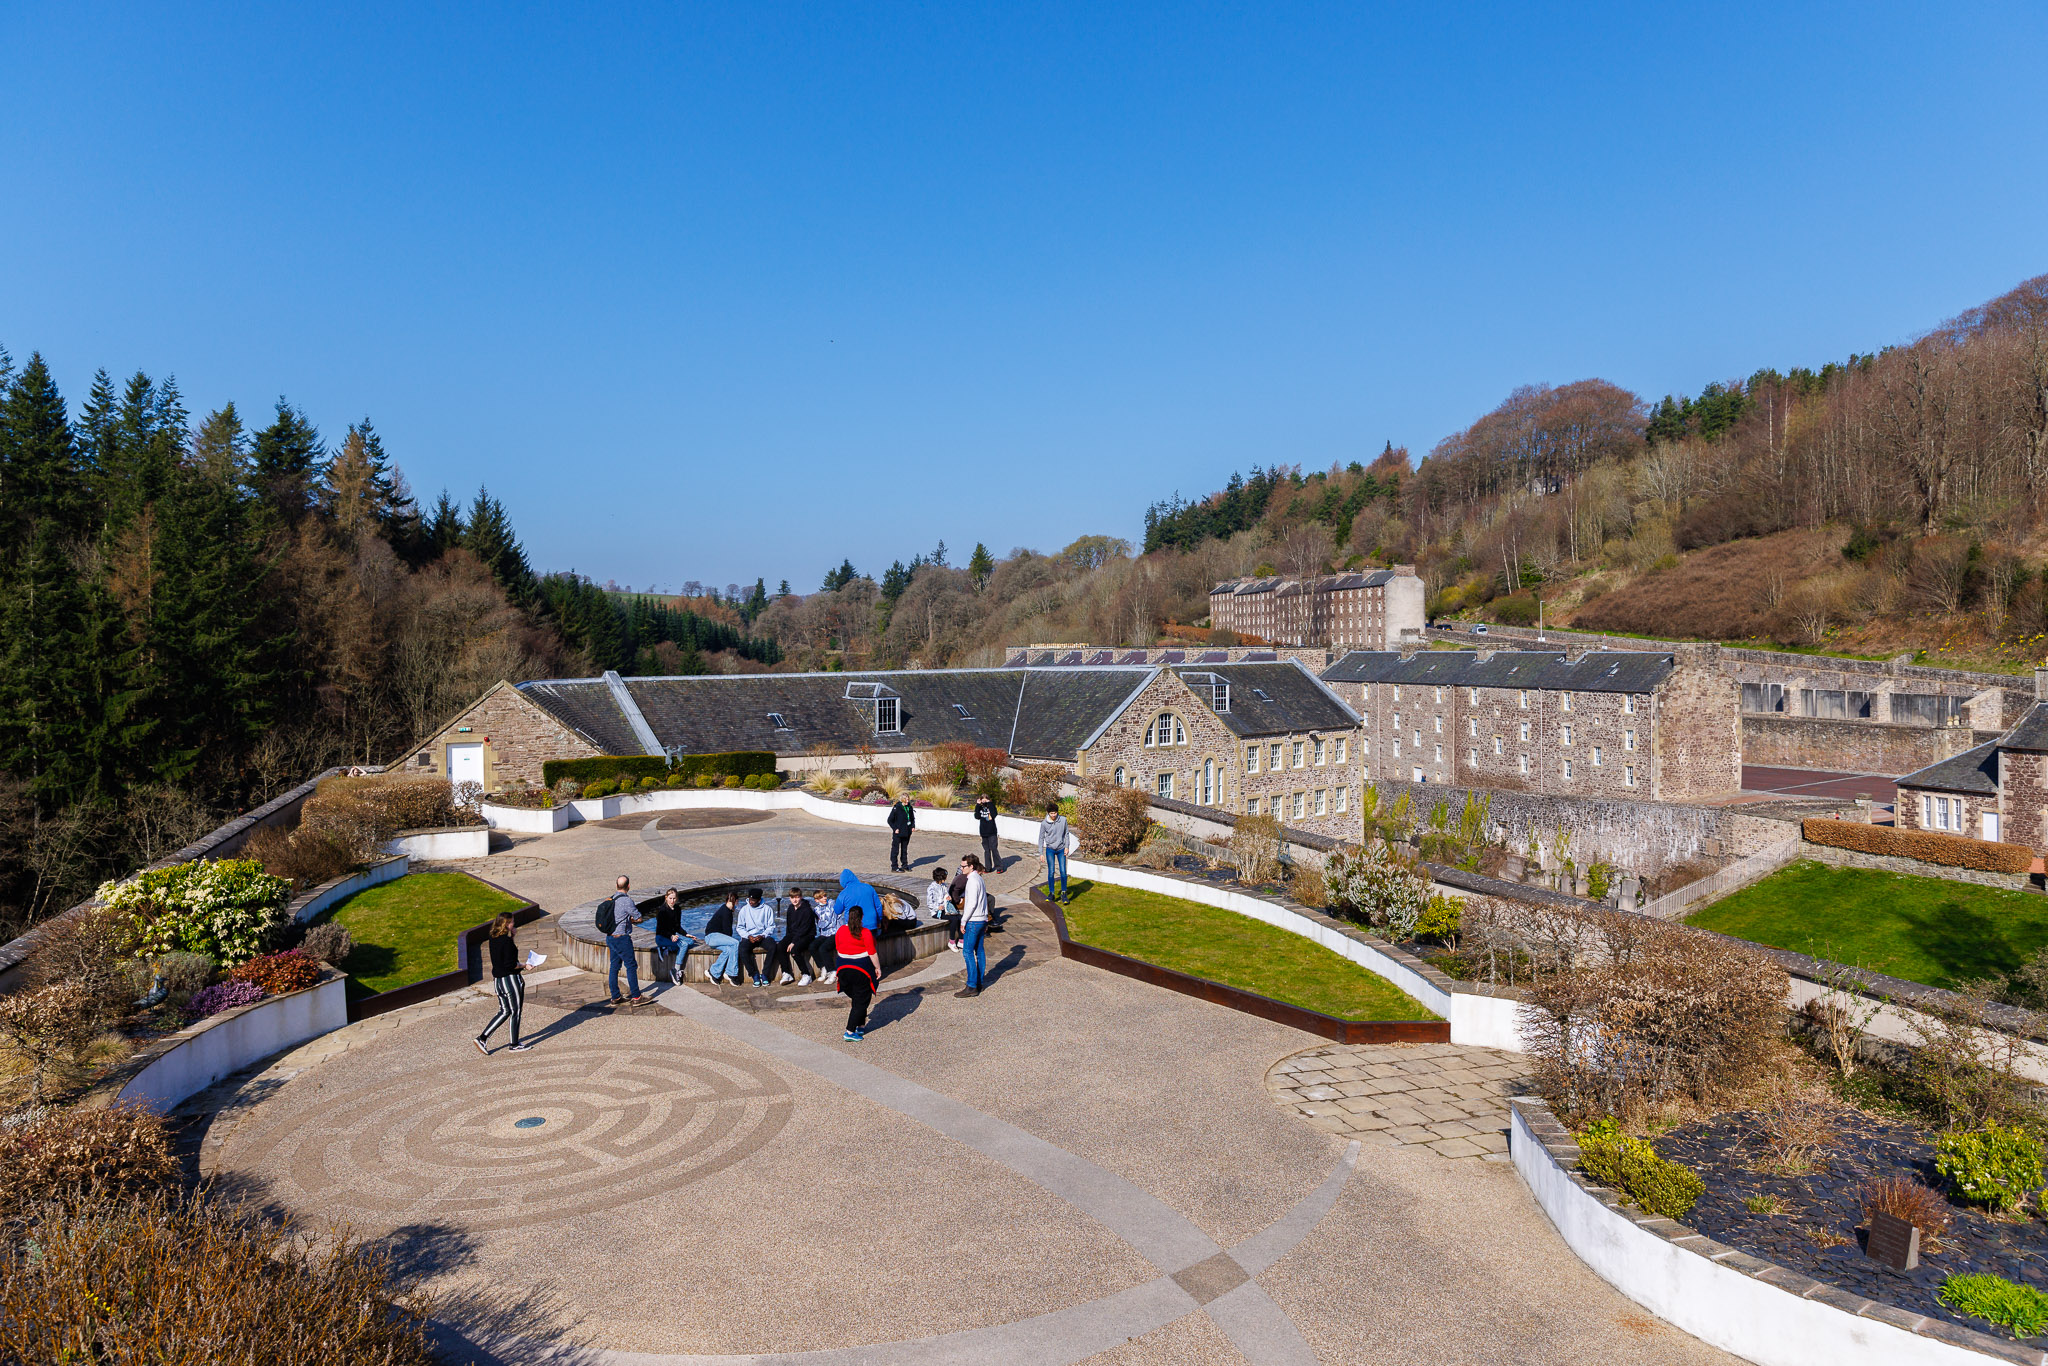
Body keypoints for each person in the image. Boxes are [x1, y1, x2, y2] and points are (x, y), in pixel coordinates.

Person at [474, 912, 531, 1053]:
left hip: (498, 981)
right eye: (512, 922)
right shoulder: (506, 942)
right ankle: (514, 1043)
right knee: (515, 1012)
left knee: (504, 1011)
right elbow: (511, 964)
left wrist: (512, 936)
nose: (514, 924)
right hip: (510, 981)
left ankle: (483, 1038)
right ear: (506, 924)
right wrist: (525, 965)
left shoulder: (493, 937)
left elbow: (504, 956)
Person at [835, 905, 881, 1041]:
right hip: (860, 970)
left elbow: (838, 948)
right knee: (861, 1001)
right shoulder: (865, 933)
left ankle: (860, 1025)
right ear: (861, 918)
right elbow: (872, 952)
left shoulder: (841, 931)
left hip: (843, 969)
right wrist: (878, 968)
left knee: (858, 998)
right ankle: (849, 1032)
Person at [605, 875, 650, 1006]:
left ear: (616, 886)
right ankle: (636, 997)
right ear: (628, 886)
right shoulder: (626, 900)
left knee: (614, 967)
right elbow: (638, 917)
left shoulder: (610, 899)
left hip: (610, 937)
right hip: (622, 938)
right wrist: (632, 920)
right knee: (631, 966)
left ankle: (615, 997)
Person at [954, 855, 991, 998]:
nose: (961, 868)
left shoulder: (972, 881)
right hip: (981, 920)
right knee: (979, 951)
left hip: (974, 921)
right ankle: (979, 982)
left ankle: (971, 985)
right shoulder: (979, 879)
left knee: (968, 952)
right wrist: (986, 918)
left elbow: (972, 904)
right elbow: (984, 901)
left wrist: (963, 921)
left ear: (971, 867)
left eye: (964, 866)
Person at [767, 888, 820, 985]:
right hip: (794, 934)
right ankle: (786, 973)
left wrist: (793, 942)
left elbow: (804, 929)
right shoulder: (791, 908)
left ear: (801, 897)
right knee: (780, 946)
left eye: (797, 897)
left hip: (807, 935)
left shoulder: (807, 910)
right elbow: (789, 926)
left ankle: (806, 974)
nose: (794, 900)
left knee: (795, 950)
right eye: (792, 898)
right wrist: (786, 939)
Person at [651, 886, 702, 984]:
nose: (672, 901)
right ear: (666, 898)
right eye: (670, 898)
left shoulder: (677, 909)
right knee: (684, 945)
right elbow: (661, 929)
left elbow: (677, 926)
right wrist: (671, 936)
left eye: (674, 898)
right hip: (662, 937)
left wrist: (686, 934)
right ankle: (676, 970)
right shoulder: (662, 911)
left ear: (677, 898)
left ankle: (666, 948)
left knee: (691, 941)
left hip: (672, 937)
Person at [736, 888, 778, 986]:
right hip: (749, 937)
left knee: (773, 946)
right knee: (742, 949)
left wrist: (763, 935)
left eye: (753, 901)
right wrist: (748, 936)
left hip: (763, 936)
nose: (751, 902)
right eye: (750, 900)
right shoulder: (744, 910)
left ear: (759, 900)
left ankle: (765, 974)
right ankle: (754, 974)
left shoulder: (767, 909)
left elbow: (771, 926)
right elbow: (740, 927)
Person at [702, 892, 742, 985]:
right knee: (736, 943)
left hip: (713, 938)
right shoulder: (726, 912)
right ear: (735, 901)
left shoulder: (724, 909)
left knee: (728, 950)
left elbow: (726, 933)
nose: (736, 905)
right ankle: (731, 973)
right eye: (736, 903)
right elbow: (727, 932)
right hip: (712, 937)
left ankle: (714, 972)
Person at [834, 869, 882, 943]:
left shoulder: (843, 894)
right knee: (871, 947)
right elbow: (878, 906)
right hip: (871, 923)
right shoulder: (868, 887)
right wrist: (879, 920)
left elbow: (837, 911)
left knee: (858, 949)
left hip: (854, 926)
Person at [1037, 803, 1071, 903]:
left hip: (1061, 849)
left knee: (1063, 872)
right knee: (1051, 872)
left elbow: (1067, 834)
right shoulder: (1044, 823)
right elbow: (1041, 838)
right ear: (1048, 813)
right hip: (1050, 849)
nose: (1053, 815)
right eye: (1051, 813)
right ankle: (1051, 893)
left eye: (1055, 813)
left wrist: (1067, 847)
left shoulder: (1063, 820)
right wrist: (1041, 853)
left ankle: (1064, 893)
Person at [924, 867, 957, 950]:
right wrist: (937, 907)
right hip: (936, 912)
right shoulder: (931, 888)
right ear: (940, 878)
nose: (946, 879)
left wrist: (948, 897)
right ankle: (952, 941)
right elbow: (929, 903)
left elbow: (946, 894)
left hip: (944, 909)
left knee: (959, 917)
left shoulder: (943, 885)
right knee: (954, 919)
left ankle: (961, 940)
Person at [973, 792, 1001, 873]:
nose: (984, 800)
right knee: (986, 850)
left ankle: (999, 866)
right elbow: (977, 816)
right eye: (983, 799)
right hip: (983, 832)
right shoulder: (980, 807)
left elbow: (994, 814)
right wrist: (978, 805)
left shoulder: (991, 806)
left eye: (986, 798)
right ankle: (988, 867)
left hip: (992, 832)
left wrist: (990, 803)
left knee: (994, 849)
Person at [887, 797, 916, 871]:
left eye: (908, 800)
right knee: (895, 850)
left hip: (907, 832)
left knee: (904, 850)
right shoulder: (896, 808)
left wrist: (912, 826)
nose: (907, 802)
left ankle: (904, 865)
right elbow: (890, 820)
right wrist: (895, 828)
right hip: (898, 833)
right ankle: (894, 867)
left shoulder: (909, 807)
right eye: (905, 801)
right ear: (902, 800)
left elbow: (912, 818)